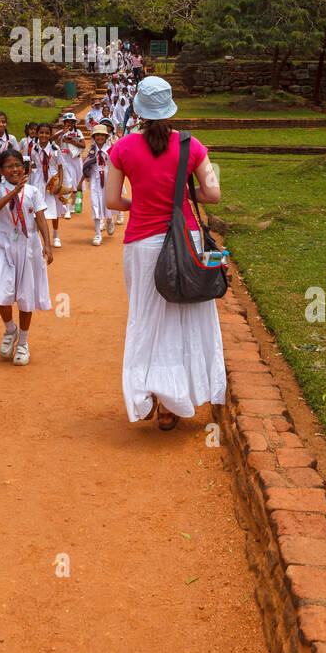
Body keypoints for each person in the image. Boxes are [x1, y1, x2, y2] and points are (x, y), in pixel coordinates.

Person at [104, 76, 226, 432]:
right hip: (185, 240)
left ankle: (149, 392)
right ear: (171, 109)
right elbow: (213, 194)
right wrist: (183, 197)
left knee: (146, 320)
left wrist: (139, 202)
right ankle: (175, 401)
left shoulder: (123, 148)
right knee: (185, 320)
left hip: (142, 243)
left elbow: (112, 201)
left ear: (139, 111)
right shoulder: (192, 146)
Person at [0, 147, 53, 365]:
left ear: (24, 168)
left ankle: (23, 343)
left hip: (28, 245)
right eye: (9, 166)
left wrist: (47, 244)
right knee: (1, 292)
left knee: (26, 295)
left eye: (17, 165)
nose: (14, 169)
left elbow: (41, 218)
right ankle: (10, 329)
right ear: (1, 170)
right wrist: (13, 192)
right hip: (4, 244)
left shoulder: (33, 191)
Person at [28, 121, 65, 248]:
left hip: (52, 180)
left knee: (55, 207)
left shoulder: (55, 149)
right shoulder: (34, 149)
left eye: (47, 133)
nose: (44, 135)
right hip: (37, 180)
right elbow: (31, 165)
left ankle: (56, 235)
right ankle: (36, 238)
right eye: (41, 132)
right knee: (37, 209)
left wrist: (60, 183)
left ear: (50, 135)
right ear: (37, 134)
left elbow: (60, 167)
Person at [81, 123, 115, 245]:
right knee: (95, 204)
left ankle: (109, 219)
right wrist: (81, 182)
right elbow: (86, 166)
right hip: (95, 181)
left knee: (108, 203)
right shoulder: (91, 151)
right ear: (94, 137)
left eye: (102, 135)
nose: (100, 137)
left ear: (106, 137)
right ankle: (97, 234)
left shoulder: (111, 149)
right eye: (97, 135)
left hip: (108, 180)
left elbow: (116, 165)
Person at [54, 112, 85, 218]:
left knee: (76, 184)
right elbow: (51, 139)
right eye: (67, 122)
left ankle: (73, 205)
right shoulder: (61, 132)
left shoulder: (78, 132)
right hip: (65, 160)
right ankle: (66, 208)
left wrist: (71, 141)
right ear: (64, 123)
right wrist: (62, 133)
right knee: (68, 183)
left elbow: (83, 145)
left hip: (76, 160)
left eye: (72, 122)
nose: (70, 124)